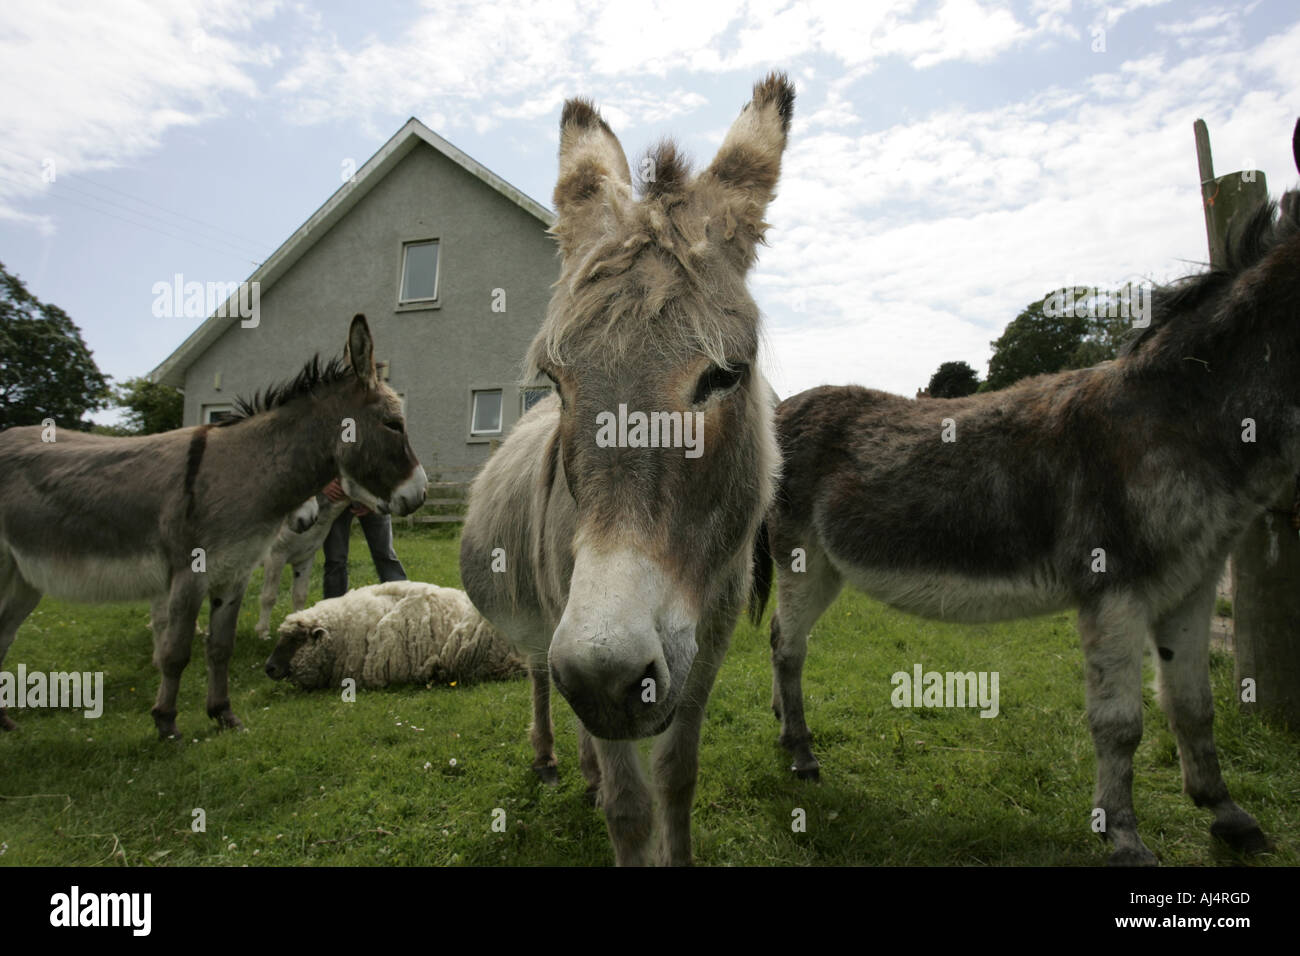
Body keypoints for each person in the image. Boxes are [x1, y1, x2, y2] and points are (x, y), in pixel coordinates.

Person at [321, 477, 407, 599]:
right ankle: (333, 611)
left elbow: (386, 462)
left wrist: (375, 499)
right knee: (335, 560)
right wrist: (323, 484)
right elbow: (313, 459)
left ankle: (402, 601)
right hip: (336, 497)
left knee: (385, 555)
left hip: (372, 492)